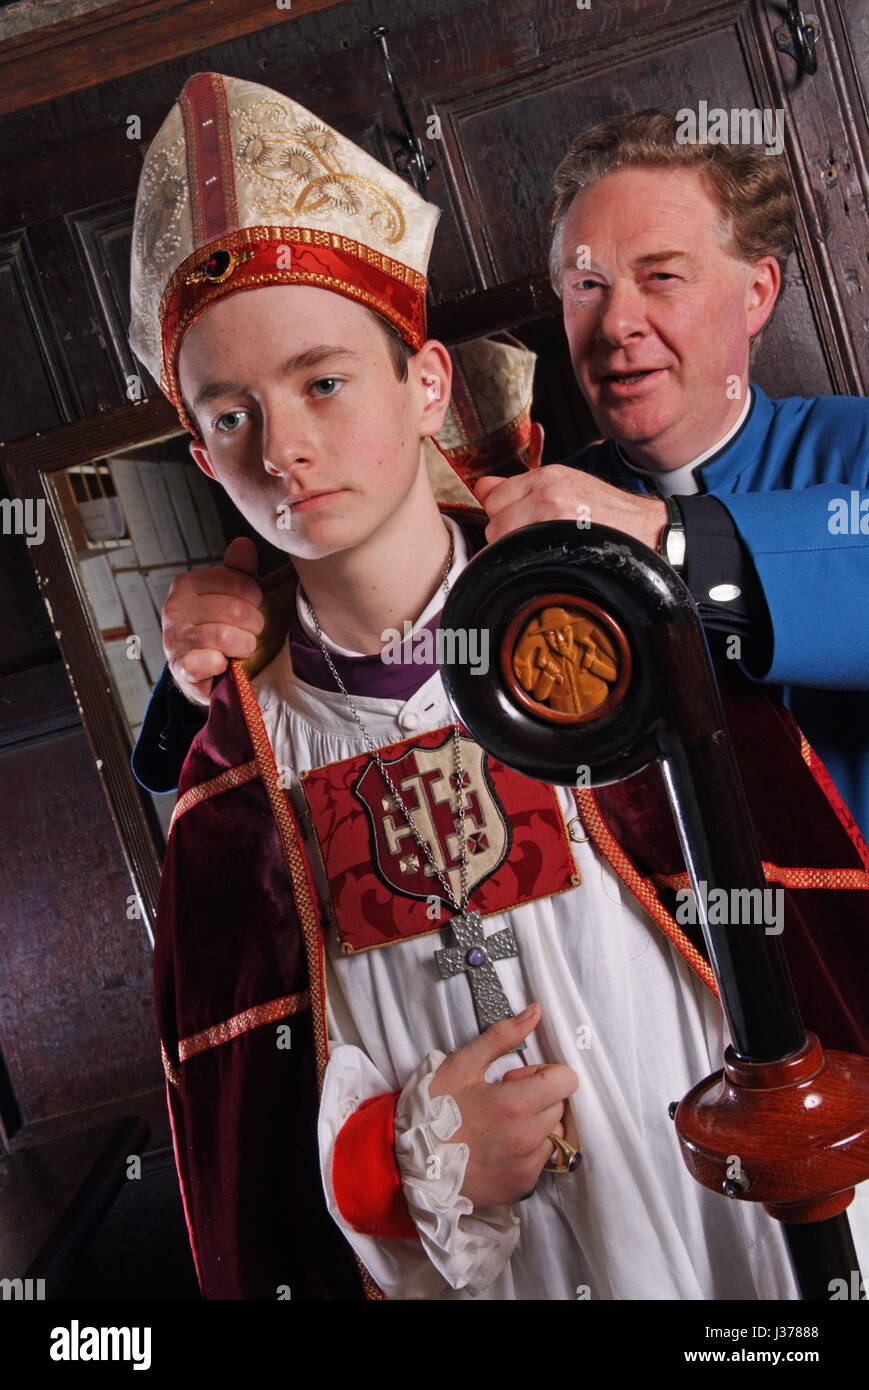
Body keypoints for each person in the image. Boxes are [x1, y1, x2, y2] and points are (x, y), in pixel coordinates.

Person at [129, 75, 868, 1301]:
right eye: (585, 285)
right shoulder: (540, 509)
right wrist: (192, 672)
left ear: (759, 294)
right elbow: (249, 1103)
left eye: (661, 275)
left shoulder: (756, 507)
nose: (616, 320)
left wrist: (656, 554)